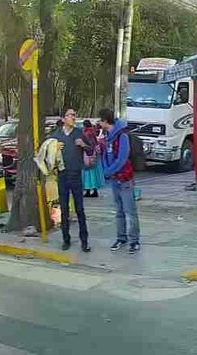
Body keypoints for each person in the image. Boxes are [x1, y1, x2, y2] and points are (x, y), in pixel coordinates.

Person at [49, 108, 93, 252]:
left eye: (74, 115)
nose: (73, 117)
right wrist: (54, 148)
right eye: (70, 115)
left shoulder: (79, 133)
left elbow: (91, 150)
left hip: (76, 175)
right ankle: (65, 239)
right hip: (62, 176)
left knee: (80, 209)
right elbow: (45, 151)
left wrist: (83, 145)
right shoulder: (56, 135)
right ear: (63, 118)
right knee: (64, 210)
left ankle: (84, 241)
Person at [99, 108, 141, 254]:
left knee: (130, 211)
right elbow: (105, 155)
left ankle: (134, 240)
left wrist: (108, 171)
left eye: (100, 121)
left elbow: (122, 158)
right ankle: (121, 238)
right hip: (114, 179)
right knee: (119, 211)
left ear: (105, 121)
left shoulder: (122, 135)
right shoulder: (107, 136)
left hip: (125, 178)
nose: (99, 124)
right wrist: (106, 169)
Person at [81, 120, 105, 198]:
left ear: (84, 126)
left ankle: (88, 190)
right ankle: (95, 190)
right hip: (95, 156)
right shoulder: (93, 132)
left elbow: (86, 145)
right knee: (94, 173)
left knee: (88, 174)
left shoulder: (86, 133)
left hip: (88, 156)